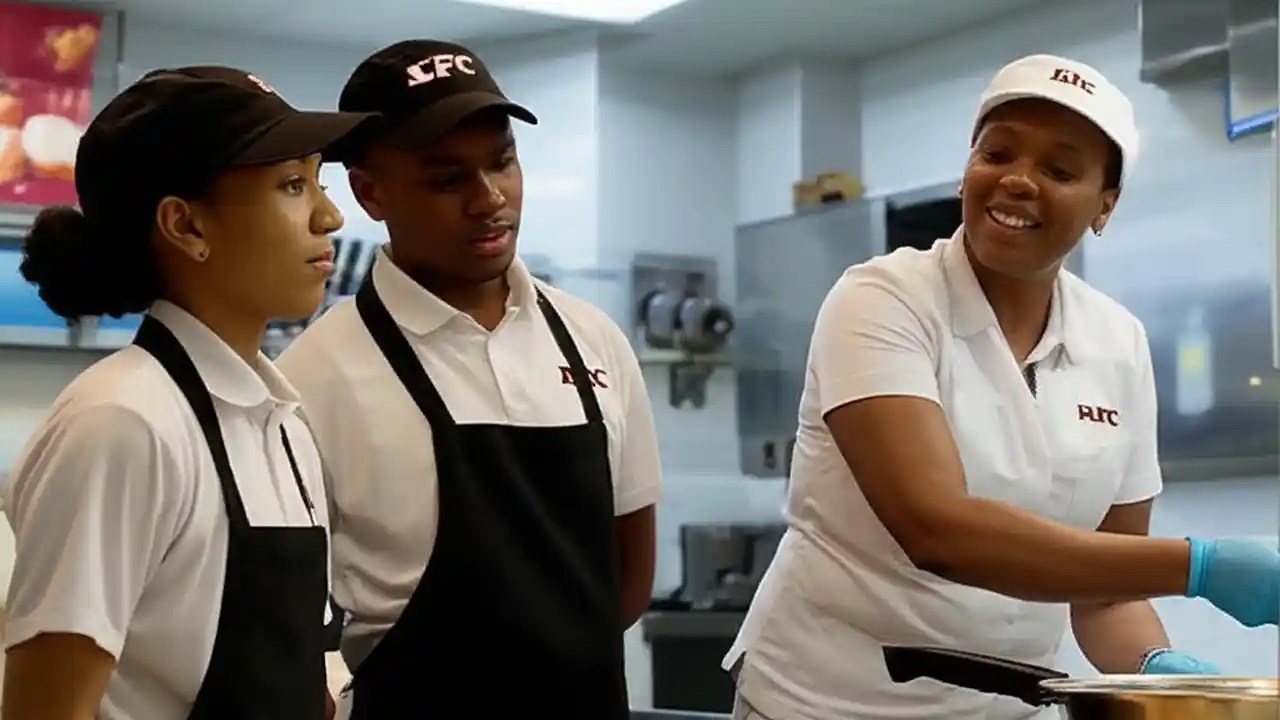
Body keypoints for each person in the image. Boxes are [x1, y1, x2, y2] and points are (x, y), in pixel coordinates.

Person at [722, 53, 1280, 720]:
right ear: (967, 172)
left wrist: (1158, 674)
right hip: (823, 704)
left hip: (1003, 709)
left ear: (1105, 205)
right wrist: (1201, 568)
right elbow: (937, 529)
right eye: (997, 154)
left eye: (1059, 169)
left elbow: (1108, 593)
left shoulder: (1118, 342)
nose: (1018, 181)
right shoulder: (882, 301)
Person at [274, 40, 662, 719]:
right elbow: (287, 616)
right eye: (447, 179)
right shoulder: (313, 376)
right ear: (369, 192)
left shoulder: (594, 339)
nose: (490, 199)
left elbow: (628, 573)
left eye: (503, 162)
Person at [1, 66, 378, 720]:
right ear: (186, 226)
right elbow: (46, 707)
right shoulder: (124, 422)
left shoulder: (282, 421)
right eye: (292, 185)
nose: (330, 214)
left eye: (320, 180)